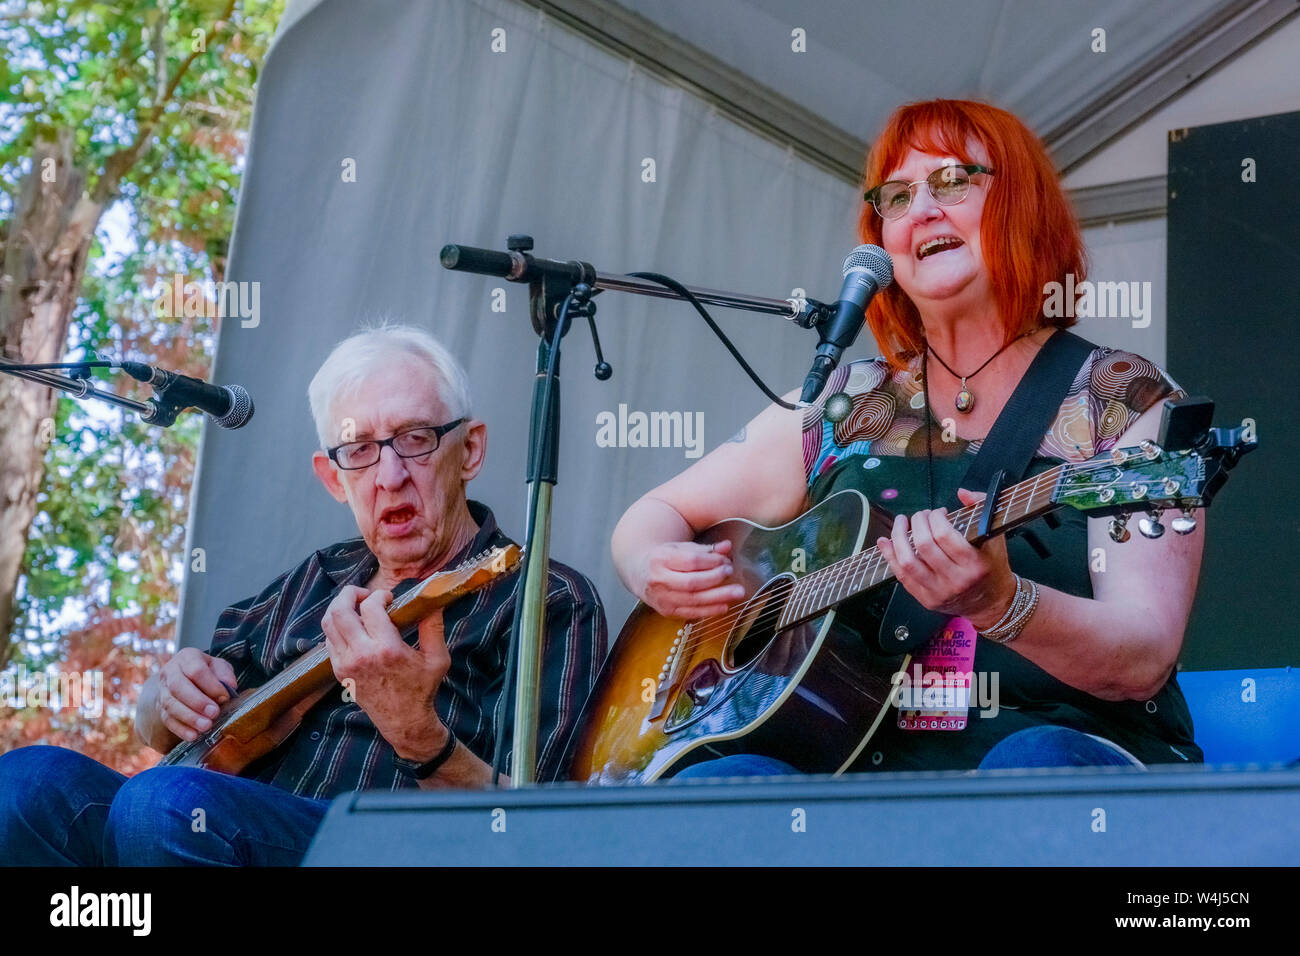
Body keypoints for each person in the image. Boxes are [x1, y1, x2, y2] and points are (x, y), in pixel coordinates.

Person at [610, 99, 1205, 778]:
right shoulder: (844, 402)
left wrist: (1002, 606)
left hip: (1059, 748)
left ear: (1022, 206)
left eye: (952, 181)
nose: (920, 207)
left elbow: (1144, 657)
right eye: (896, 195)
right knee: (719, 785)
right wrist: (650, 561)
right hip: (857, 762)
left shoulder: (1122, 399)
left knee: (1031, 767)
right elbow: (651, 517)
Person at [0, 323, 606, 864]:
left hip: (393, 852)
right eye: (360, 452)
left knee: (164, 808)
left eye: (415, 439)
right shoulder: (310, 580)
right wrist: (166, 698)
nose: (389, 476)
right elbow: (169, 733)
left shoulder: (546, 600)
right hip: (209, 827)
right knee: (24, 786)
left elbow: (536, 831)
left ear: (469, 449)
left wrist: (413, 729)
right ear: (333, 478)